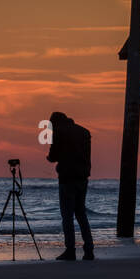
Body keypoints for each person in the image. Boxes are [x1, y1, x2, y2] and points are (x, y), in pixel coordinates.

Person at [46, 111, 94, 261]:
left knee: (67, 216)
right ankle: (89, 249)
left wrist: (50, 157)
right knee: (81, 214)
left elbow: (54, 156)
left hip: (67, 178)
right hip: (82, 177)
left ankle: (70, 250)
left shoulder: (59, 131)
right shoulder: (84, 132)